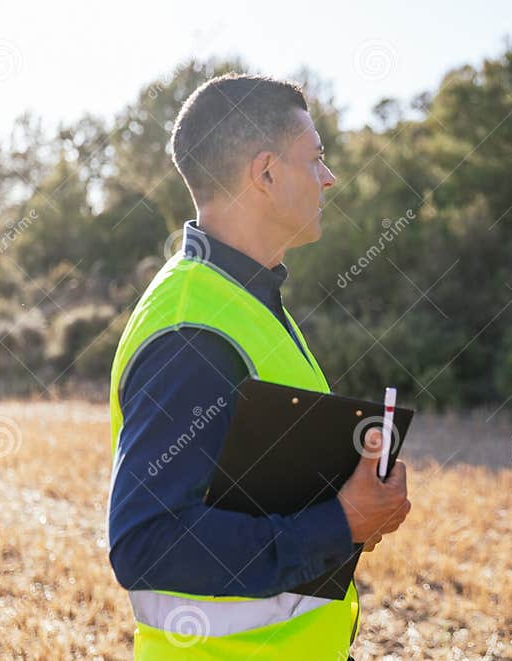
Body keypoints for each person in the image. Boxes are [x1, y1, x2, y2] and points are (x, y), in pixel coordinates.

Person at [107, 73, 411, 660]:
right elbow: (144, 543)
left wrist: (355, 512)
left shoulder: (248, 302)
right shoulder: (192, 330)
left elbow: (253, 494)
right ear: (266, 173)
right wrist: (340, 523)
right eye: (316, 159)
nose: (330, 177)